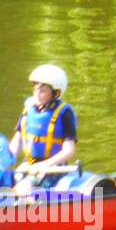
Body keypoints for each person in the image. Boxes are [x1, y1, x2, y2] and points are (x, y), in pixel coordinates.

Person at [8, 65, 77, 194]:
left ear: (56, 93)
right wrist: (6, 160)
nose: (37, 94)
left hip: (54, 168)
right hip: (29, 165)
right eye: (35, 89)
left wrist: (45, 165)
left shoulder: (64, 114)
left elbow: (69, 150)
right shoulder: (29, 109)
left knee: (24, 189)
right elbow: (17, 140)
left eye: (43, 91)